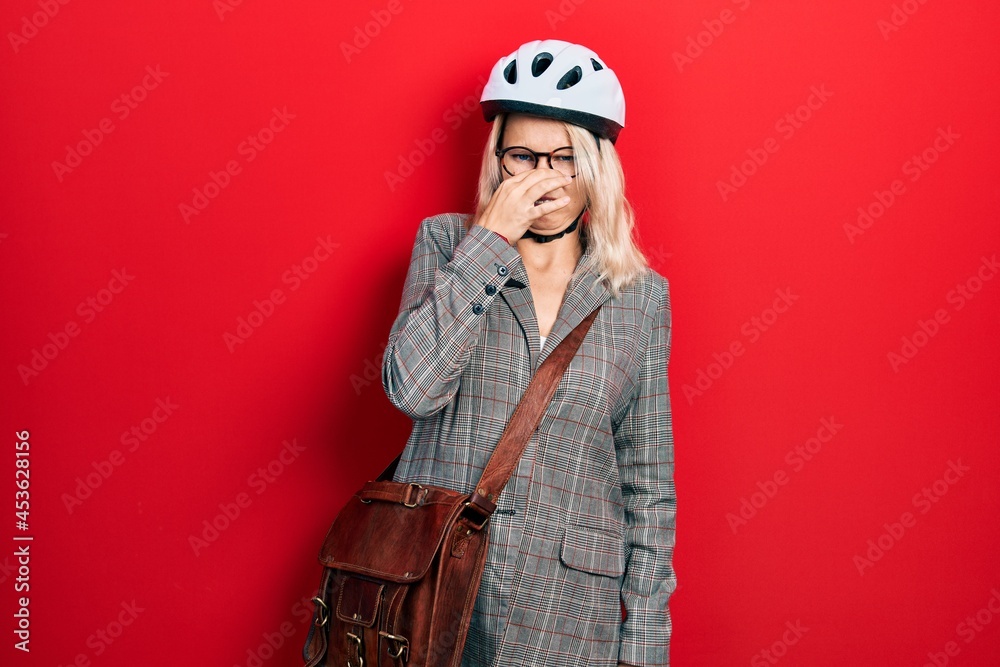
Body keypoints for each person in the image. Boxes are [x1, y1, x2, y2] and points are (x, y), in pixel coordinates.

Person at [381, 39, 675, 667]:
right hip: (434, 593)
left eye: (565, 158)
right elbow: (412, 388)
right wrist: (489, 240)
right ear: (498, 160)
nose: (543, 177)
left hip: (570, 613)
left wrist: (645, 645)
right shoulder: (446, 246)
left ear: (596, 167)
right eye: (523, 155)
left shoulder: (640, 297)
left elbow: (648, 485)